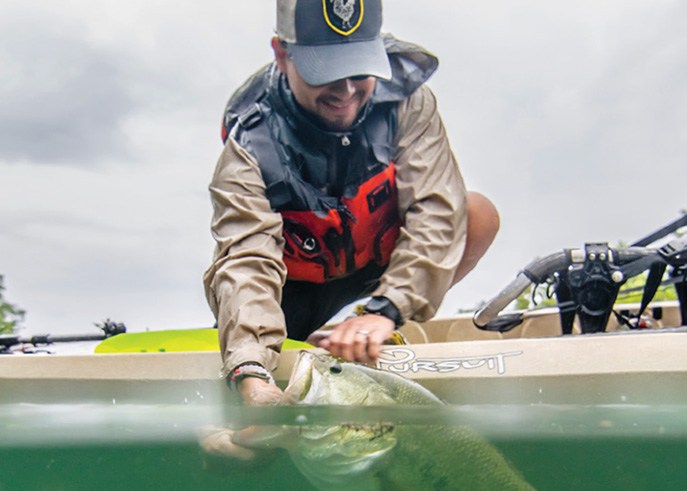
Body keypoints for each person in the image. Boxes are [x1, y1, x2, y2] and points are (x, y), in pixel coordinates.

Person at [204, 0, 499, 408]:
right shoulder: (248, 148)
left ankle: (373, 331)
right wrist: (252, 375)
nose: (345, 92)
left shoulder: (410, 103)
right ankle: (292, 351)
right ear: (282, 53)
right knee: (254, 421)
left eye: (359, 70)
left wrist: (384, 310)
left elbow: (436, 208)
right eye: (325, 72)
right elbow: (246, 263)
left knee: (478, 213)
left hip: (373, 279)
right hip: (291, 296)